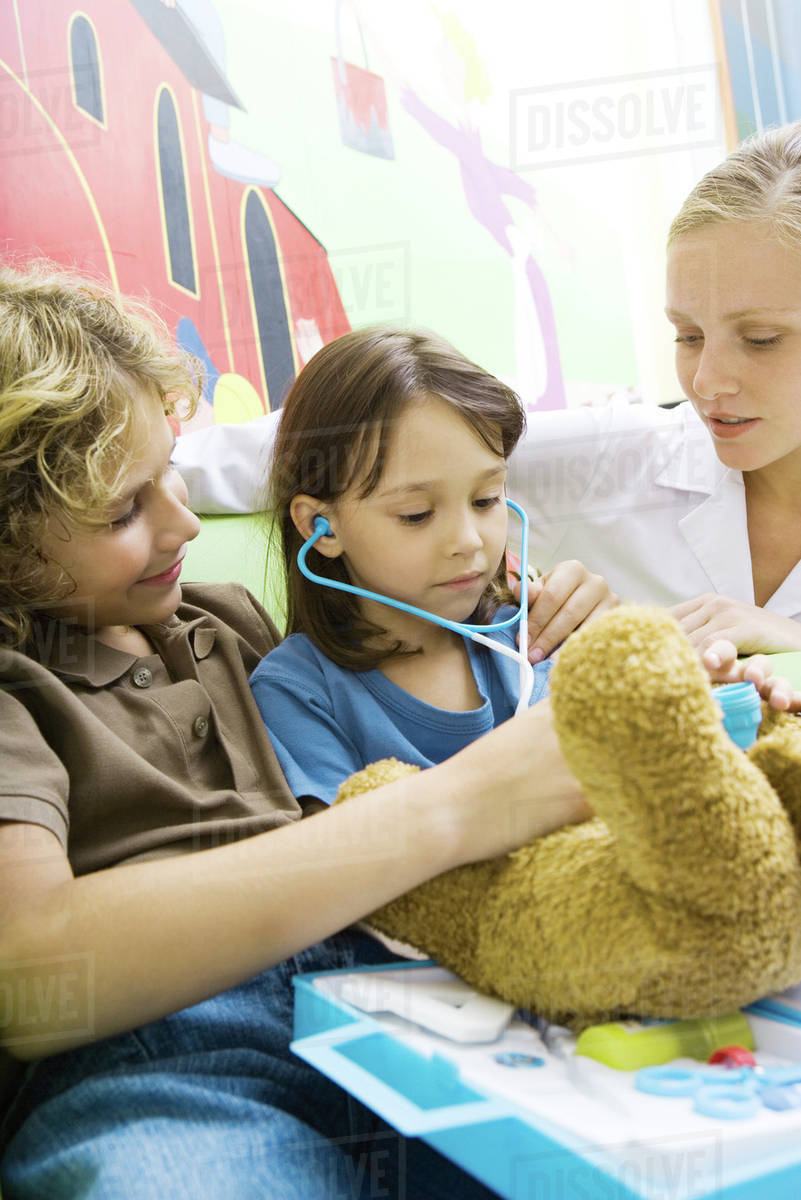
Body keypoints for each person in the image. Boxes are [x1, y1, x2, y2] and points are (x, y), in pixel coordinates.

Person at [0, 262, 592, 1200]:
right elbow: (30, 972)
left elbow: (406, 621)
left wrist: (543, 612)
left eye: (172, 474)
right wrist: (456, 807)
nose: (186, 521)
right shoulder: (15, 691)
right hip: (180, 1062)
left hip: (401, 1016)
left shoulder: (224, 624)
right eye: (124, 509)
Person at [174, 121, 801, 666]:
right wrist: (127, 483)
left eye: (762, 339)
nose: (706, 381)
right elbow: (345, 442)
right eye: (687, 335)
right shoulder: (625, 458)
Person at [249, 326, 559, 804]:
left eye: (486, 499)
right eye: (417, 514)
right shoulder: (298, 693)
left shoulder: (530, 635)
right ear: (321, 528)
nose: (468, 541)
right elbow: (354, 859)